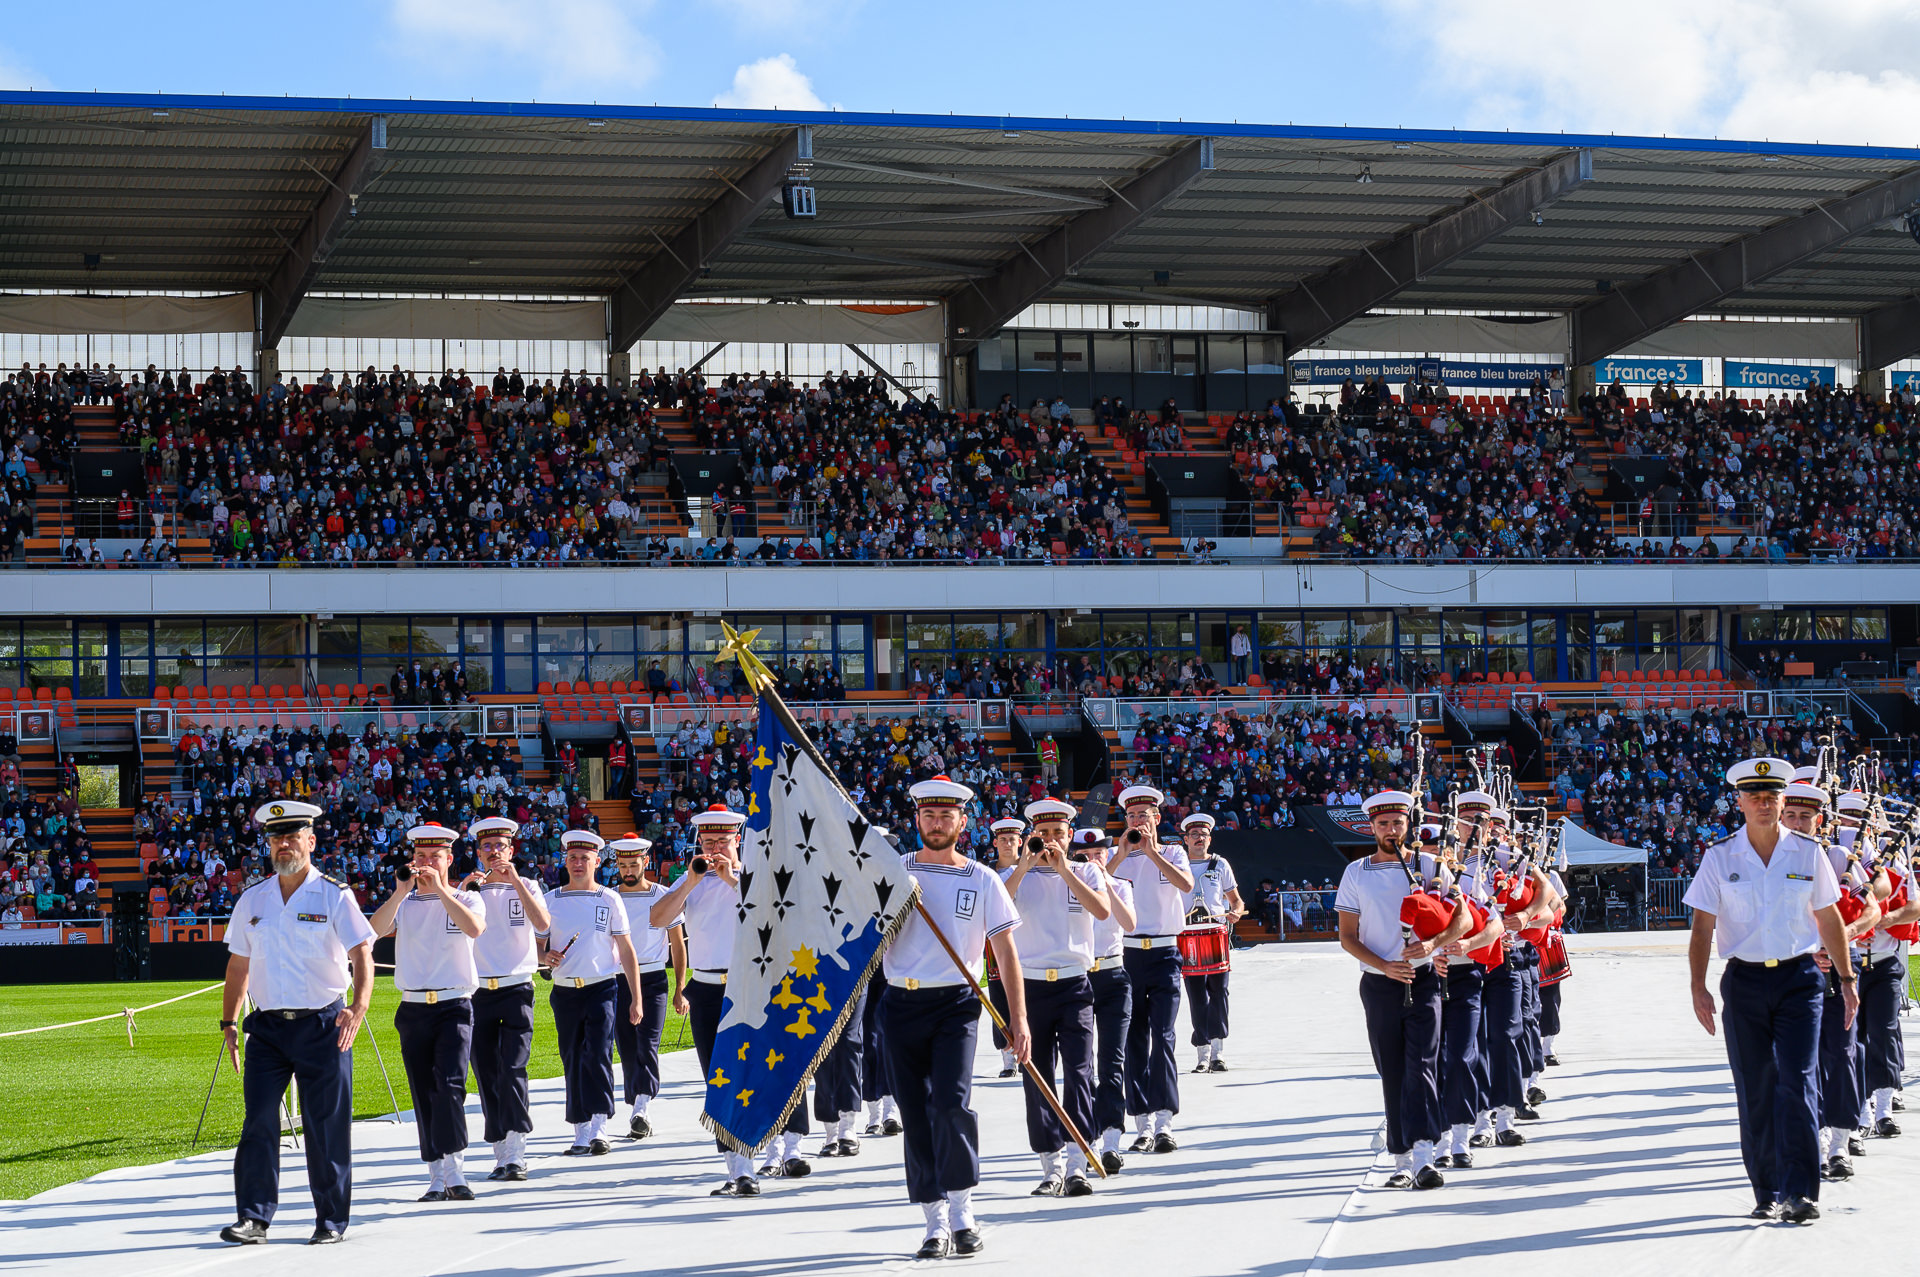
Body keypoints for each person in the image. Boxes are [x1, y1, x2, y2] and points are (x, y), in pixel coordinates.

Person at [1685, 757, 1857, 1224]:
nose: (1764, 804)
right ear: (1739, 802)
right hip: (1742, 981)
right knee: (1756, 1087)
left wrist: (1845, 978)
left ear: (1783, 802)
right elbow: (1703, 927)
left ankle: (1800, 1192)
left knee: (1799, 1081)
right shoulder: (1720, 856)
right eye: (1755, 797)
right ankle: (1767, 1188)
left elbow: (1828, 917)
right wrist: (1698, 987)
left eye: (1772, 797)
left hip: (1799, 980)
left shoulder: (1807, 852)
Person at [216, 800, 376, 1246]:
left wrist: (358, 1008)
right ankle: (254, 1217)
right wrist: (229, 1021)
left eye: (292, 836)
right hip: (266, 1028)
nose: (283, 845)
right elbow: (237, 965)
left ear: (311, 840)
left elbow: (363, 952)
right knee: (259, 1120)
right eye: (275, 837)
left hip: (323, 1024)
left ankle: (330, 1219)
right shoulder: (254, 898)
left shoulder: (333, 894)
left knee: (325, 1124)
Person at [886, 775, 1029, 1260]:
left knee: (952, 1105)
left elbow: (1006, 953)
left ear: (962, 823)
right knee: (915, 1114)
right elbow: (863, 938)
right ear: (917, 819)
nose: (937, 822)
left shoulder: (982, 879)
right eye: (929, 814)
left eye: (947, 815)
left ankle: (963, 1210)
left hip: (957, 1005)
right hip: (901, 1003)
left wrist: (1019, 1021)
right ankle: (933, 1221)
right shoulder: (891, 871)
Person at [1336, 789, 1472, 1190]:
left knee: (1423, 1068)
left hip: (1424, 979)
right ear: (1372, 828)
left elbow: (1462, 918)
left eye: (1397, 823)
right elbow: (1347, 936)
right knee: (1392, 1072)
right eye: (1383, 825)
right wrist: (1384, 966)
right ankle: (1400, 1159)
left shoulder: (1431, 866)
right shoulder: (1356, 873)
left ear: (1408, 824)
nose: (1391, 830)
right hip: (1379, 985)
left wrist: (1432, 945)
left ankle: (1427, 1155)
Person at [650, 804, 771, 1194]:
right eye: (707, 841)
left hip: (748, 985)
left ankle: (771, 1151)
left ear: (738, 840)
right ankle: (738, 1168)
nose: (715, 847)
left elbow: (774, 913)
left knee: (754, 1071)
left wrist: (732, 879)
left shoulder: (755, 876)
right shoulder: (693, 879)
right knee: (717, 1078)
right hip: (705, 987)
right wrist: (690, 882)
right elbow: (657, 918)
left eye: (722, 840)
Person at [368, 823, 486, 1202]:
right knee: (422, 1092)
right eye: (420, 856)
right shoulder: (406, 903)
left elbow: (475, 928)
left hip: (454, 1005)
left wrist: (440, 890)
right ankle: (436, 1175)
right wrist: (400, 892)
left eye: (435, 857)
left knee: (449, 1086)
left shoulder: (467, 897)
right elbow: (373, 931)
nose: (426, 863)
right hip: (414, 1007)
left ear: (449, 860)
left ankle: (455, 1169)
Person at [1003, 798, 1110, 1197]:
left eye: (1058, 835)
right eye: (1043, 835)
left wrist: (1065, 869)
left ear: (1069, 836)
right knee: (1037, 1077)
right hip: (1030, 987)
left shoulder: (1086, 872)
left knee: (1080, 1072)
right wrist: (1024, 865)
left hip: (1074, 984)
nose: (1050, 841)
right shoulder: (1018, 875)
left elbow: (1101, 912)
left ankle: (1079, 1160)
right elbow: (999, 905)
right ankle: (1050, 1165)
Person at [538, 829, 644, 1156]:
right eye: (572, 857)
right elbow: (537, 947)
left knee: (598, 1054)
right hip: (566, 991)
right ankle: (579, 1129)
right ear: (564, 861)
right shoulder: (551, 900)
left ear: (597, 861)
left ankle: (600, 1126)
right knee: (572, 1058)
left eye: (585, 858)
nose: (578, 863)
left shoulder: (609, 899)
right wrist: (544, 957)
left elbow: (626, 950)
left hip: (601, 988)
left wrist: (636, 998)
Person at [462, 815, 549, 1181]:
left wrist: (515, 880)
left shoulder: (526, 883)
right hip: (478, 990)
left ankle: (516, 1151)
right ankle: (501, 1150)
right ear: (478, 853)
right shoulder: (468, 890)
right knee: (486, 1073)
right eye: (487, 847)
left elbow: (543, 924)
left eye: (500, 846)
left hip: (516, 987)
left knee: (513, 1068)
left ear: (511, 850)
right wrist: (463, 890)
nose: (494, 852)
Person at [1110, 784, 1195, 1152]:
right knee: (1133, 1041)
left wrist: (1151, 852)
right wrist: (1123, 851)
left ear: (1157, 819)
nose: (1137, 821)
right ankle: (1142, 1123)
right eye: (1131, 816)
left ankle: (1165, 1121)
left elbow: (1186, 884)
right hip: (1128, 955)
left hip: (1164, 953)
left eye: (1143, 816)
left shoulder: (1174, 852)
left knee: (1164, 1036)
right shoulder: (1119, 855)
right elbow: (1097, 882)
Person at [610, 833, 688, 1140]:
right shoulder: (609, 896)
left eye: (634, 864)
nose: (628, 871)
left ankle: (642, 1106)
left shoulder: (663, 895)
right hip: (617, 980)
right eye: (623, 865)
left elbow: (677, 944)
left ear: (645, 862)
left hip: (653, 977)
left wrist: (680, 987)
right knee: (627, 1046)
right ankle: (637, 1104)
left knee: (648, 1042)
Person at [1070, 826, 1135, 1174]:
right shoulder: (1068, 887)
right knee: (1083, 1066)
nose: (1093, 860)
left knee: (1112, 1062)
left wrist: (1105, 881)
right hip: (1079, 977)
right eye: (1086, 856)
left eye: (1099, 854)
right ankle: (1087, 1137)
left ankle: (1112, 1139)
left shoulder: (1121, 885)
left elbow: (1129, 921)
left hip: (1112, 975)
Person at [1179, 813, 1243, 1073]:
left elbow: (1236, 900)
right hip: (1187, 936)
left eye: (1203, 835)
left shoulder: (1221, 864)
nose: (1199, 839)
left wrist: (1236, 911)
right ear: (1186, 839)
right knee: (1197, 996)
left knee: (1219, 993)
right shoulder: (1177, 865)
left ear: (1209, 838)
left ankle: (1218, 1052)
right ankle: (1202, 1053)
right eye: (1194, 835)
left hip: (1215, 933)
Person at [983, 815, 1025, 1077]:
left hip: (1030, 942)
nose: (1008, 844)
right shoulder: (987, 873)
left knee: (1030, 999)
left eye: (1012, 839)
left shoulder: (1034, 866)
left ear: (1020, 841)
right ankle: (1008, 1059)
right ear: (995, 843)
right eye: (1003, 840)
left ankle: (1029, 1053)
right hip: (998, 946)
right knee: (1000, 1001)